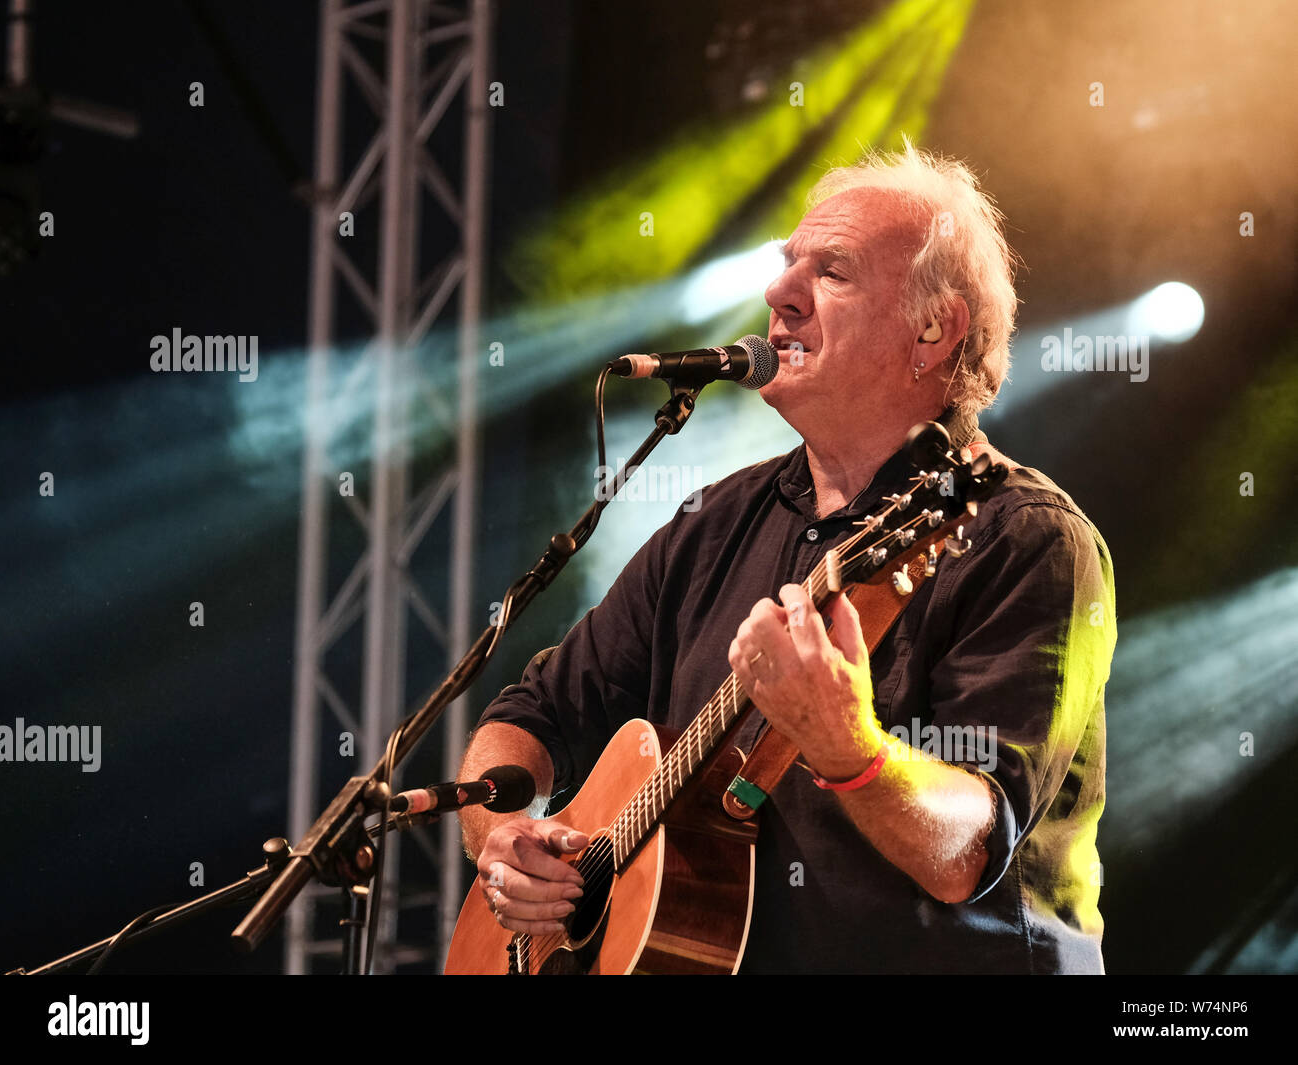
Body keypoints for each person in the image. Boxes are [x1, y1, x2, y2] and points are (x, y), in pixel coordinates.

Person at [455, 142, 1117, 974]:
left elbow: (971, 850)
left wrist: (850, 747)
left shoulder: (1025, 538)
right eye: (784, 265)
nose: (777, 293)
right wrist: (507, 841)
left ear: (931, 328)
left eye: (831, 271)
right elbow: (528, 717)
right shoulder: (715, 522)